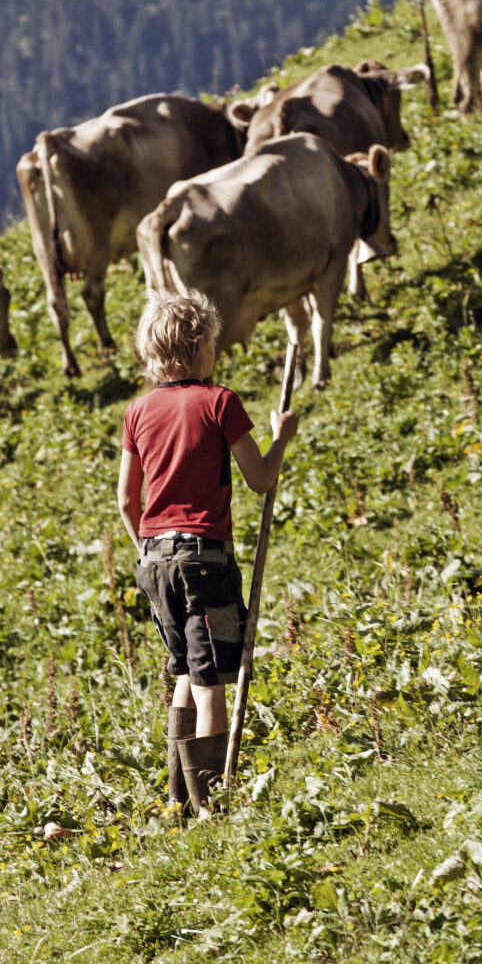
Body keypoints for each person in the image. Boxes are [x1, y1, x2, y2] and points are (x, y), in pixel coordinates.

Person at [117, 289, 299, 810]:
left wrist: (154, 552)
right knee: (212, 678)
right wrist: (280, 437)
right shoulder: (220, 402)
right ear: (202, 349)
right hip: (205, 561)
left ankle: (180, 794)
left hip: (154, 560)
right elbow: (260, 479)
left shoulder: (137, 412)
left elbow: (127, 504)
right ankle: (210, 802)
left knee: (183, 671)